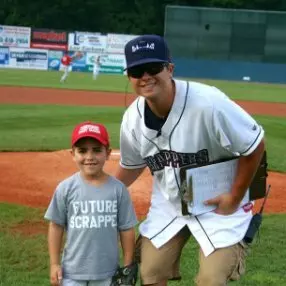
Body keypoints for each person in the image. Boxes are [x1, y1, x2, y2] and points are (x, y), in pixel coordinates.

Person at [115, 34, 266, 286]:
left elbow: (254, 144)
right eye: (137, 71)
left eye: (153, 68)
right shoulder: (132, 119)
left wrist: (235, 197)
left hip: (221, 200)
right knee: (150, 272)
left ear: (170, 69)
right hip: (172, 201)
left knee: (210, 279)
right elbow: (131, 166)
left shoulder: (209, 103)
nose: (145, 76)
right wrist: (99, 191)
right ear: (129, 76)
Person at [44, 121, 138, 286]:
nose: (89, 157)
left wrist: (128, 266)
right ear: (72, 154)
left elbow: (126, 229)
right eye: (82, 151)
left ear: (108, 153)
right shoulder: (65, 188)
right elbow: (56, 225)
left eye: (96, 150)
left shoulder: (118, 189)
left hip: (107, 272)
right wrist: (54, 264)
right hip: (71, 273)